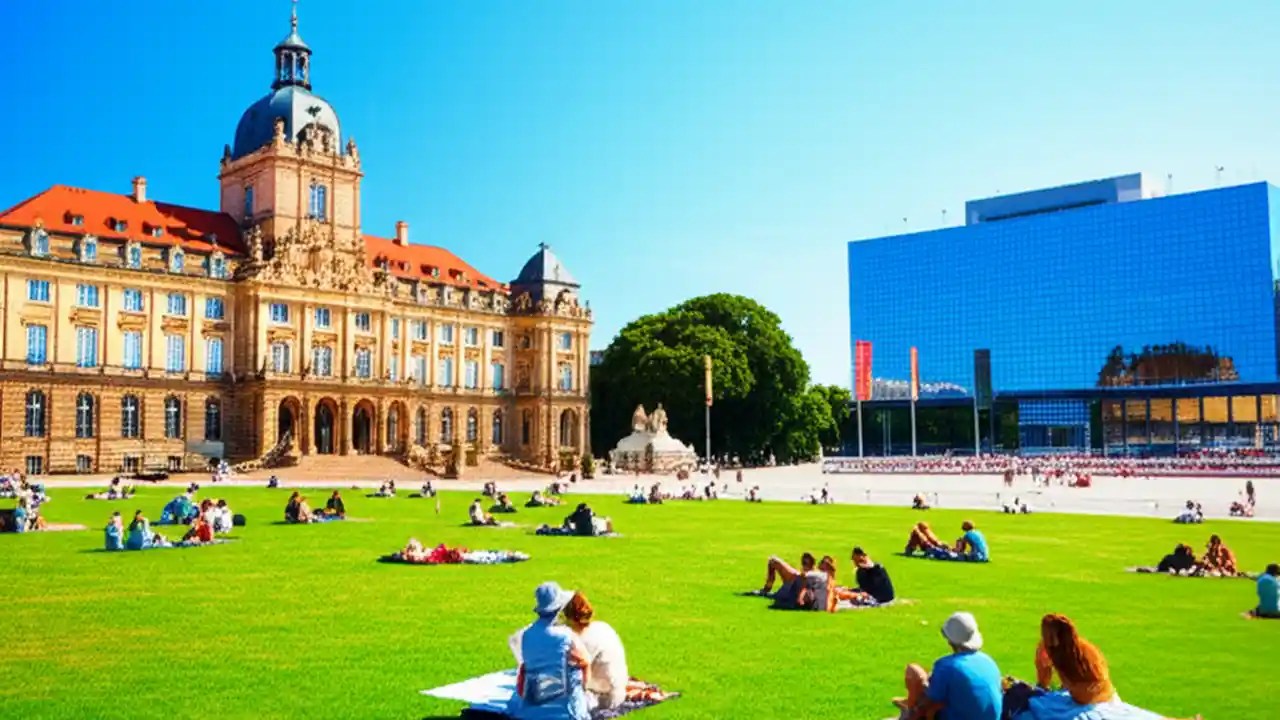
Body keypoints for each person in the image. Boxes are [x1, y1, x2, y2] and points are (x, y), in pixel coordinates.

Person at [1005, 614, 1164, 719]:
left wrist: (1041, 686)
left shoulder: (1048, 705)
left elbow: (1045, 681)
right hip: (1098, 699)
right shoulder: (1082, 651)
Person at [896, 612, 1002, 720]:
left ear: (950, 640)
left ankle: (908, 708)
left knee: (915, 673)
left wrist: (915, 709)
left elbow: (930, 699)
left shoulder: (947, 666)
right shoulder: (989, 661)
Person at [512, 582, 590, 720]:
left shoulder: (527, 634)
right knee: (577, 669)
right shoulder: (566, 635)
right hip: (566, 711)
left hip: (533, 708)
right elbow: (585, 662)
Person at [562, 592, 628, 711]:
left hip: (603, 698)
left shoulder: (581, 640)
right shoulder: (602, 626)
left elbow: (568, 673)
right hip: (617, 689)